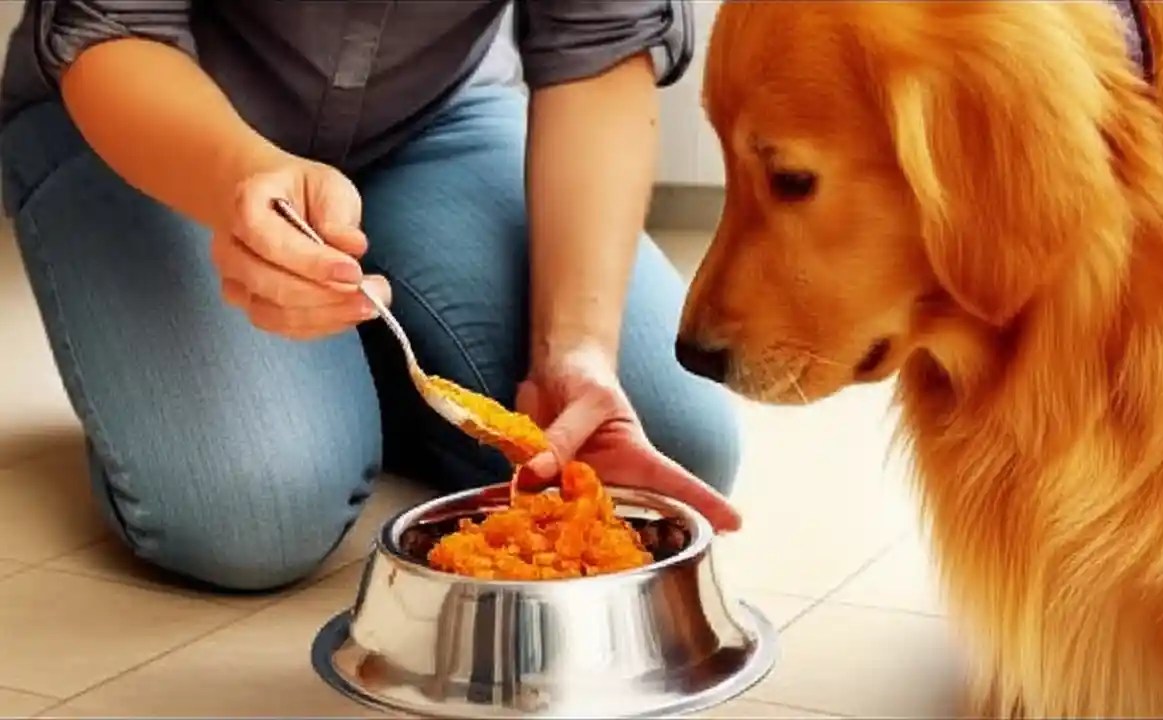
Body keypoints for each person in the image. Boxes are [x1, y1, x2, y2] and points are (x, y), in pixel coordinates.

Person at [0, 0, 741, 592]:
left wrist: (575, 347)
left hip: (432, 114)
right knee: (256, 512)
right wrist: (239, 182)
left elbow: (600, 41)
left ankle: (359, 370)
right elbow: (116, 25)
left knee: (666, 441)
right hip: (146, 109)